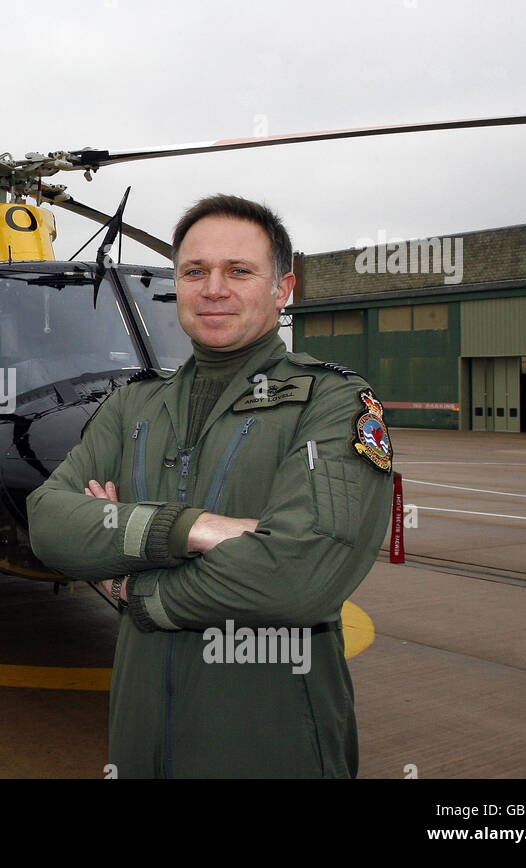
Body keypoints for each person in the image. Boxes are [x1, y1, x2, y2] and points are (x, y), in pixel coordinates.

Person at [26, 194, 394, 778]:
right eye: (194, 271)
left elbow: (301, 575)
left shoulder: (332, 401)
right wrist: (193, 529)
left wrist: (134, 588)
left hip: (273, 749)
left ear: (283, 288)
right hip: (138, 744)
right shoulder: (132, 405)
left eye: (239, 270)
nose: (213, 288)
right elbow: (48, 522)